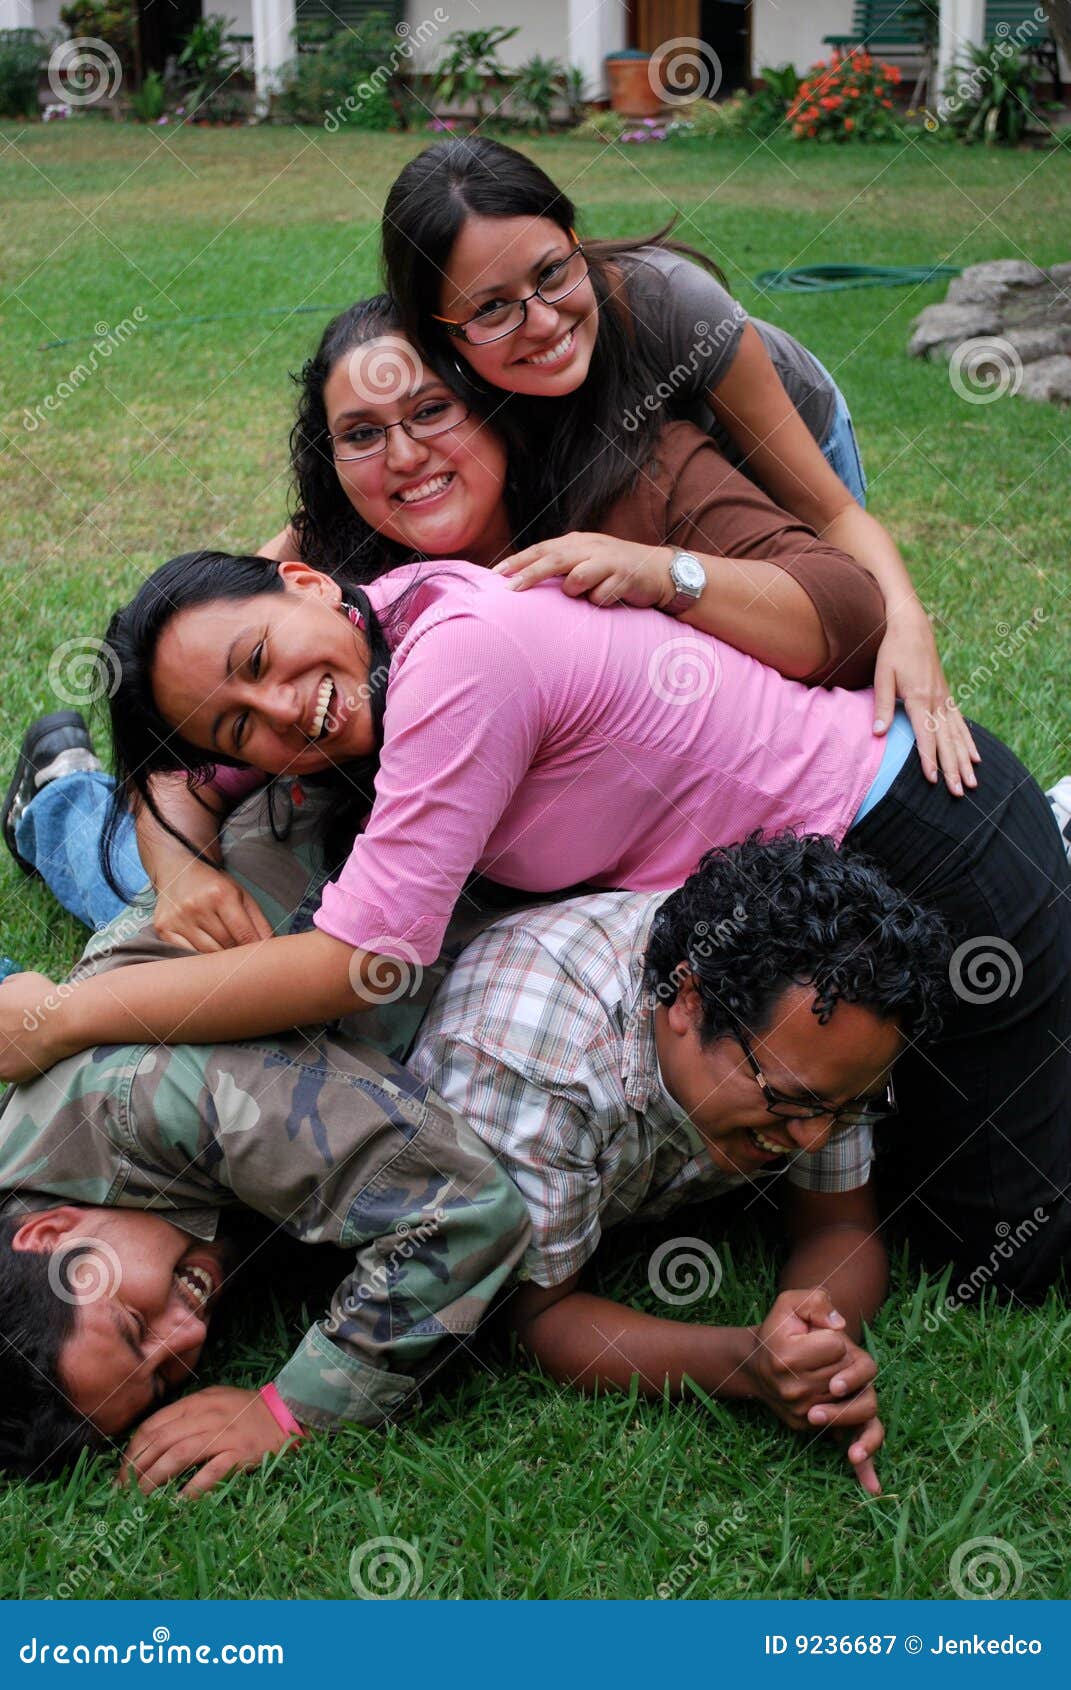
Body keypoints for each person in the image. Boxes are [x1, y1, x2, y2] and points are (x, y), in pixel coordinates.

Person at [0, 542, 1066, 1297]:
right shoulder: (380, 621)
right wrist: (179, 869)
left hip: (908, 837)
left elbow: (358, 967)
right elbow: (193, 770)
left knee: (1005, 1255)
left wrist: (63, 1016)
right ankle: (62, 806)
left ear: (308, 581)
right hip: (728, 897)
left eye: (259, 660)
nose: (283, 709)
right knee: (247, 888)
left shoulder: (454, 659)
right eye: (241, 719)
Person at [3, 296, 888, 945]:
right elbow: (189, 730)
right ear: (331, 460)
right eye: (359, 435)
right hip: (420, 833)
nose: (403, 456)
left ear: (495, 404)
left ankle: (61, 796)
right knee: (157, 892)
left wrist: (665, 575)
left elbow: (852, 624)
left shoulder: (631, 474)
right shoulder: (329, 562)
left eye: (432, 411)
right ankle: (60, 803)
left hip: (622, 842)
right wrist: (179, 872)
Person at [379, 139, 980, 793]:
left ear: (576, 238)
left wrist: (907, 621)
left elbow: (831, 512)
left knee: (840, 661)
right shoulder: (420, 367)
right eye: (492, 307)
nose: (544, 321)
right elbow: (337, 500)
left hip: (775, 431)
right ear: (438, 329)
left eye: (553, 272)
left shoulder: (674, 306)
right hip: (641, 460)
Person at [0, 785, 531, 1492]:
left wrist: (292, 1410)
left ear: (46, 1234)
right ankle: (59, 801)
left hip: (454, 819)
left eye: (134, 1326)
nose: (186, 1339)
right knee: (138, 891)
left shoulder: (163, 1105)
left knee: (149, 888)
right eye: (163, 1377)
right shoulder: (61, 1215)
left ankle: (61, 800)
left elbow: (465, 1207)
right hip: (266, 881)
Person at [408, 832, 957, 1497]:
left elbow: (838, 1230)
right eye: (789, 1102)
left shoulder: (818, 1030)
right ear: (688, 1000)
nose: (814, 1140)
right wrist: (744, 1363)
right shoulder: (534, 1065)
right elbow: (533, 1318)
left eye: (849, 1109)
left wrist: (817, 1337)